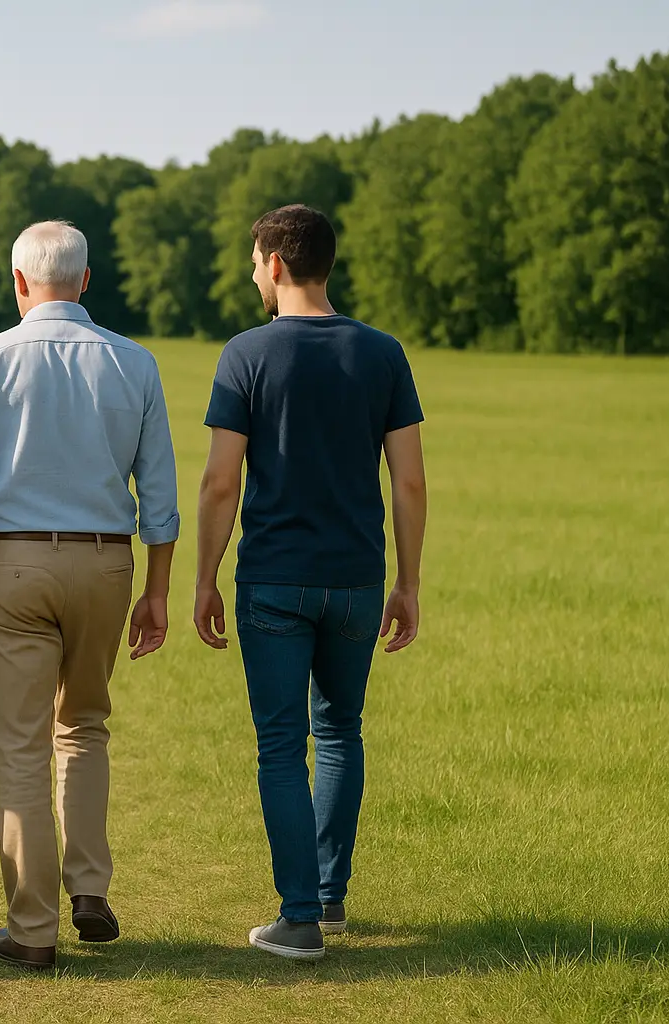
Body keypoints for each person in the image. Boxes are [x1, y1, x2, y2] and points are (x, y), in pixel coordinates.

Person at [0, 221, 179, 971]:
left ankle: (32, 928)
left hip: (12, 562)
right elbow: (159, 492)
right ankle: (90, 887)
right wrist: (157, 590)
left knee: (21, 747)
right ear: (86, 280)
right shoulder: (135, 362)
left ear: (18, 281)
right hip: (106, 565)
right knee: (86, 725)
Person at [193, 204, 428, 961]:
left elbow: (220, 483)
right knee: (340, 732)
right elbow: (409, 482)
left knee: (280, 746)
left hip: (273, 581)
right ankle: (328, 900)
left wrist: (204, 578)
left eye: (253, 264)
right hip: (357, 580)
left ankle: (297, 920)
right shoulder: (383, 353)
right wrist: (408, 582)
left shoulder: (246, 354)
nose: (253, 276)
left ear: (275, 264)